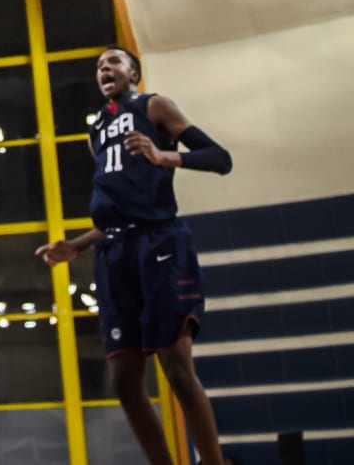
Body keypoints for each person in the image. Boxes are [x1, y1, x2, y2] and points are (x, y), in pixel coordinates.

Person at [37, 47, 232, 465]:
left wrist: (166, 155)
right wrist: (77, 245)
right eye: (98, 66)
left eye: (112, 62)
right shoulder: (98, 130)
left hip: (159, 243)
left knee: (176, 367)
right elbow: (116, 212)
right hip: (114, 252)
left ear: (134, 72)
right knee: (124, 380)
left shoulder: (153, 105)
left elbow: (220, 158)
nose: (103, 69)